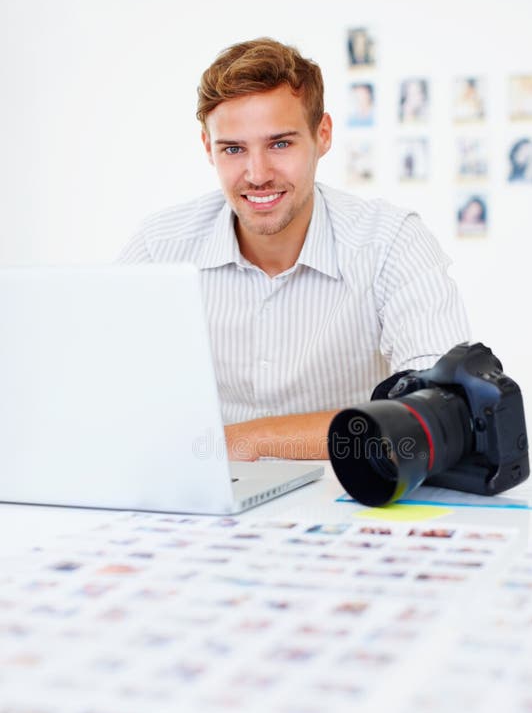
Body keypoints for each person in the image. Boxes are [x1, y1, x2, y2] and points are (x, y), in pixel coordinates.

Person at [119, 38, 470, 461]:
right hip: (204, 502)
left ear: (323, 135)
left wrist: (248, 440)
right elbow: (103, 390)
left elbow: (438, 412)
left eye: (280, 144)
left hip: (350, 498)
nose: (257, 174)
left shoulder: (390, 241)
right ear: (207, 149)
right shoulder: (161, 247)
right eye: (233, 149)